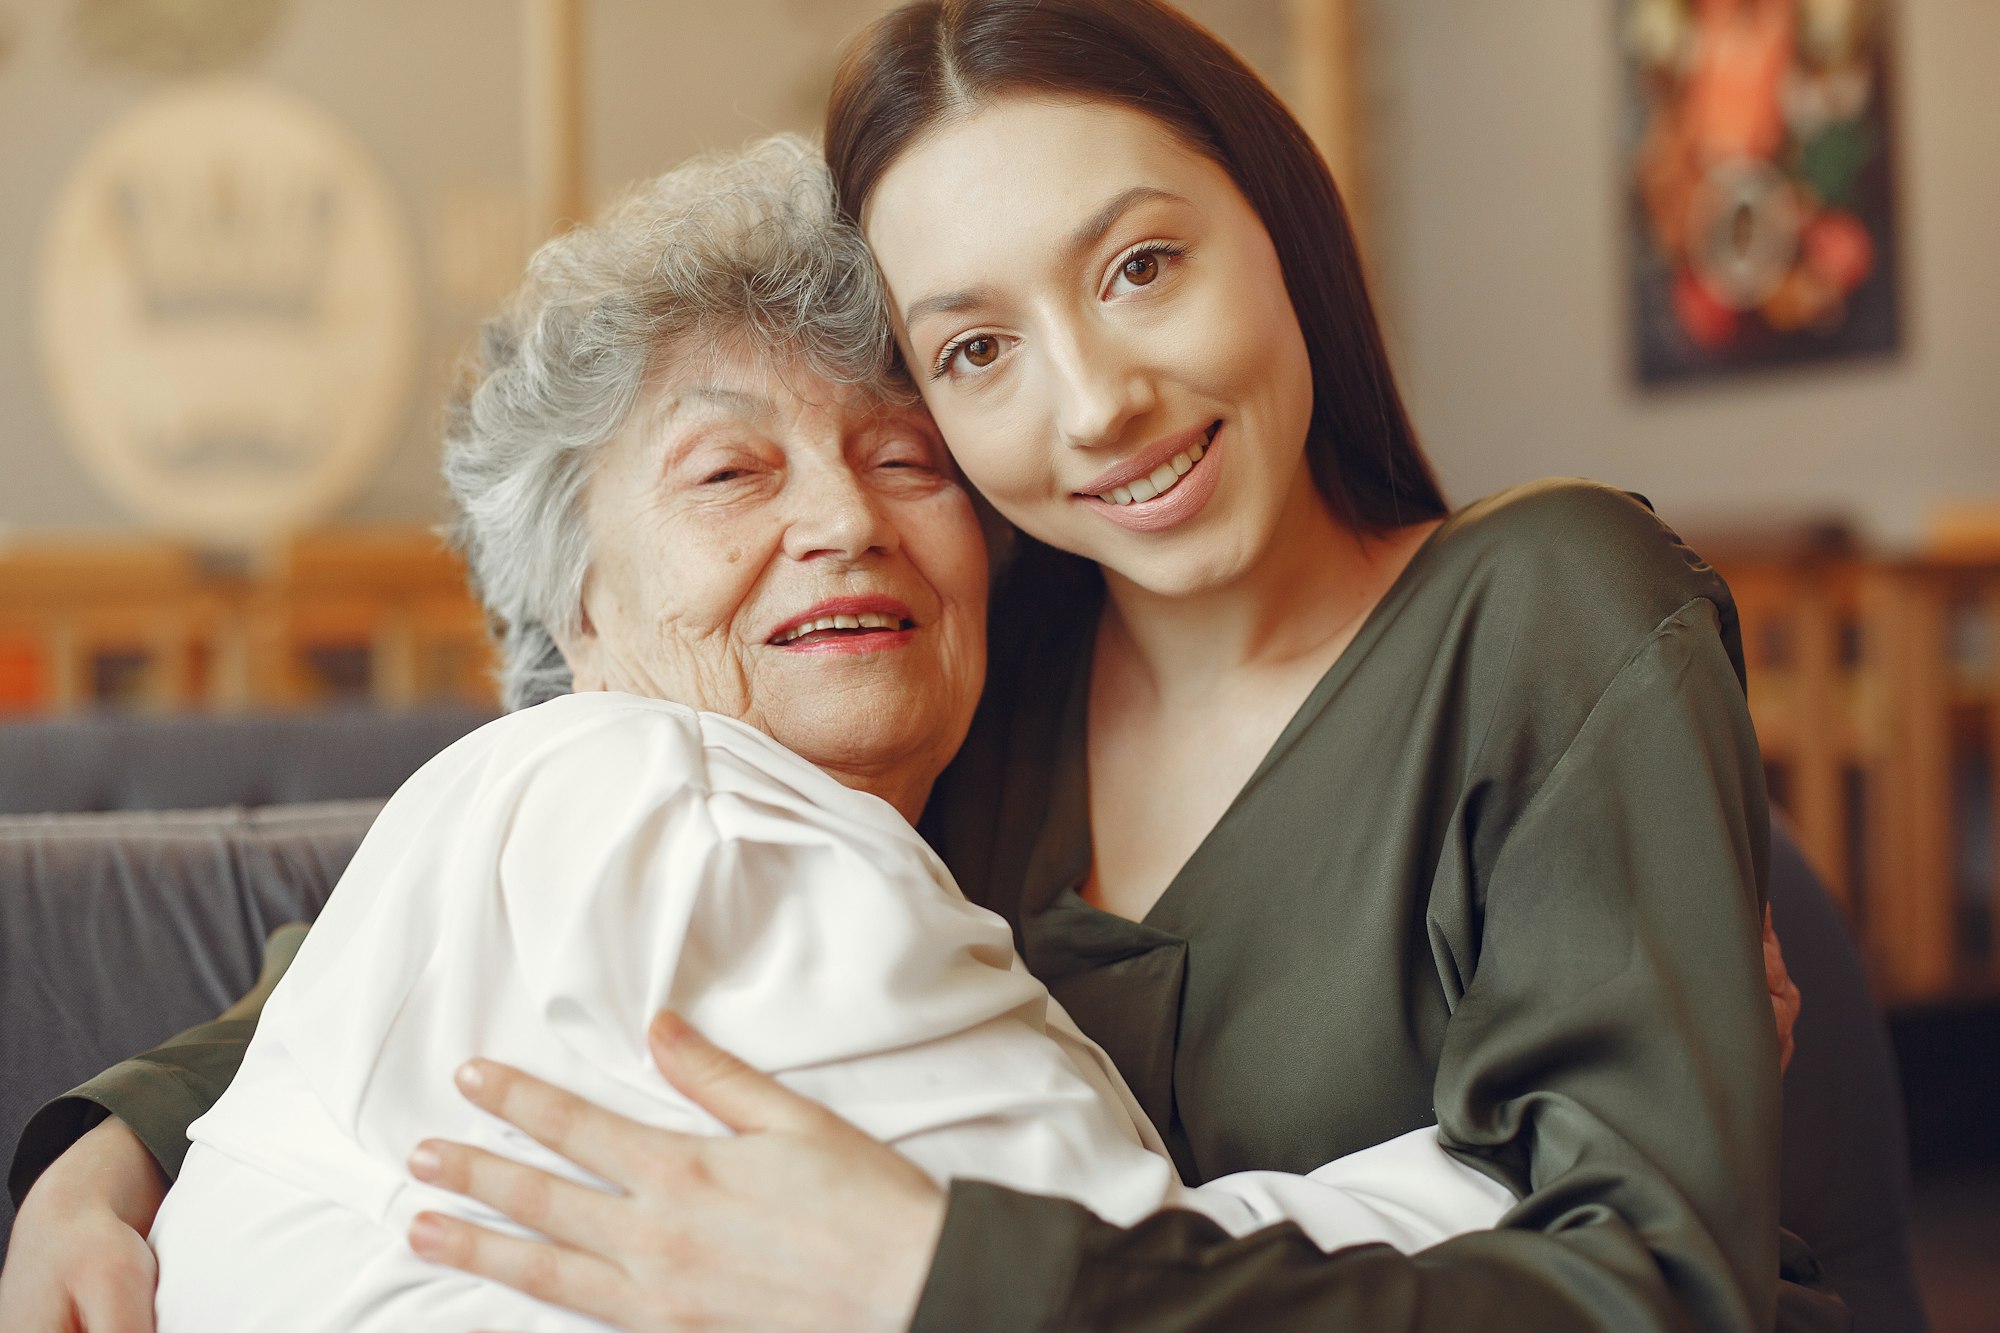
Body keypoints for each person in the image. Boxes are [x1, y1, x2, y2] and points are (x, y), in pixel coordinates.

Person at [1, 2, 1829, 1331]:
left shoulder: (1547, 607)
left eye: (1138, 266)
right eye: (974, 352)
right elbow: (435, 935)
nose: (1093, 401)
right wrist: (104, 1160)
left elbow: (1661, 1283)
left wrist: (934, 1277)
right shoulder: (968, 676)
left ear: (1283, 224)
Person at [132, 136, 1509, 1332]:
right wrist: (1514, 1162)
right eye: (728, 471)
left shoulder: (528, 832)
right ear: (579, 608)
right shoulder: (677, 802)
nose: (847, 524)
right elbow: (1121, 1282)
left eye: (905, 459)